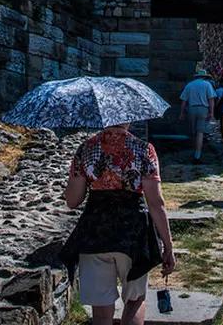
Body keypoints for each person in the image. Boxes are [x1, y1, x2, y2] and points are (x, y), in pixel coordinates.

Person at [60, 122, 177, 325]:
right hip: (133, 233)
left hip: (95, 231)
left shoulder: (85, 149)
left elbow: (72, 201)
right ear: (128, 118)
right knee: (134, 300)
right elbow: (156, 203)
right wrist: (168, 245)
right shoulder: (144, 149)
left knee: (101, 310)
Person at [178, 67, 216, 162]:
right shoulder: (207, 85)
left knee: (193, 131)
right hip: (203, 109)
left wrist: (182, 113)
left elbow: (184, 100)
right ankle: (197, 154)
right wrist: (211, 112)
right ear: (204, 77)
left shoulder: (189, 85)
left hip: (191, 108)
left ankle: (192, 149)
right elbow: (211, 99)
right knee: (200, 132)